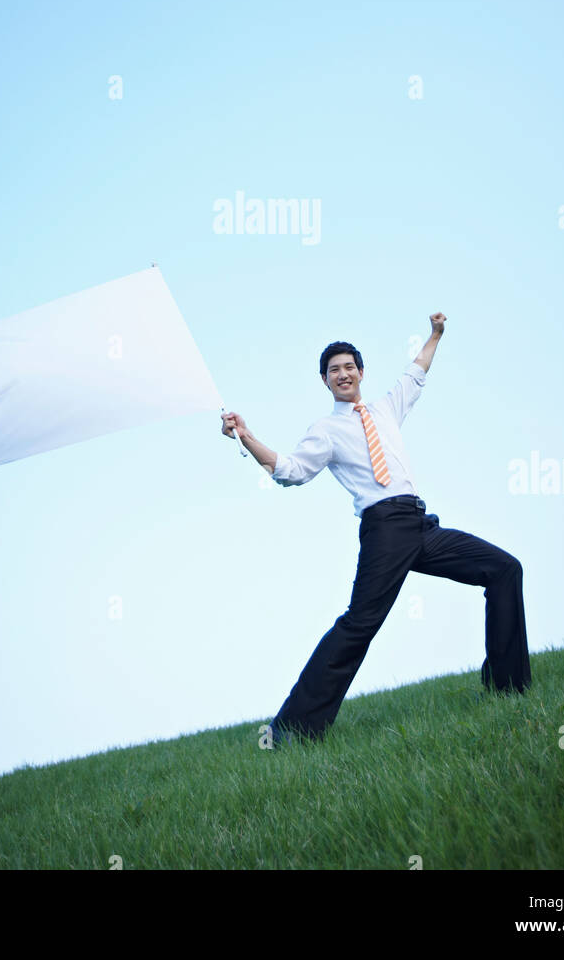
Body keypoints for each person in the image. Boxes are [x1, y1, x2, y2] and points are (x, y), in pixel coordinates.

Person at [221, 313, 531, 744]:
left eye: (349, 367)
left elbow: (417, 371)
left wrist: (436, 333)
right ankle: (292, 729)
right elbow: (288, 471)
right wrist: (245, 435)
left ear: (361, 373)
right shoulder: (326, 430)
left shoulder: (386, 408)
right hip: (384, 529)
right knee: (360, 623)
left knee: (504, 569)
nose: (343, 374)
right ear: (325, 382)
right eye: (334, 371)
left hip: (420, 525)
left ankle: (509, 688)